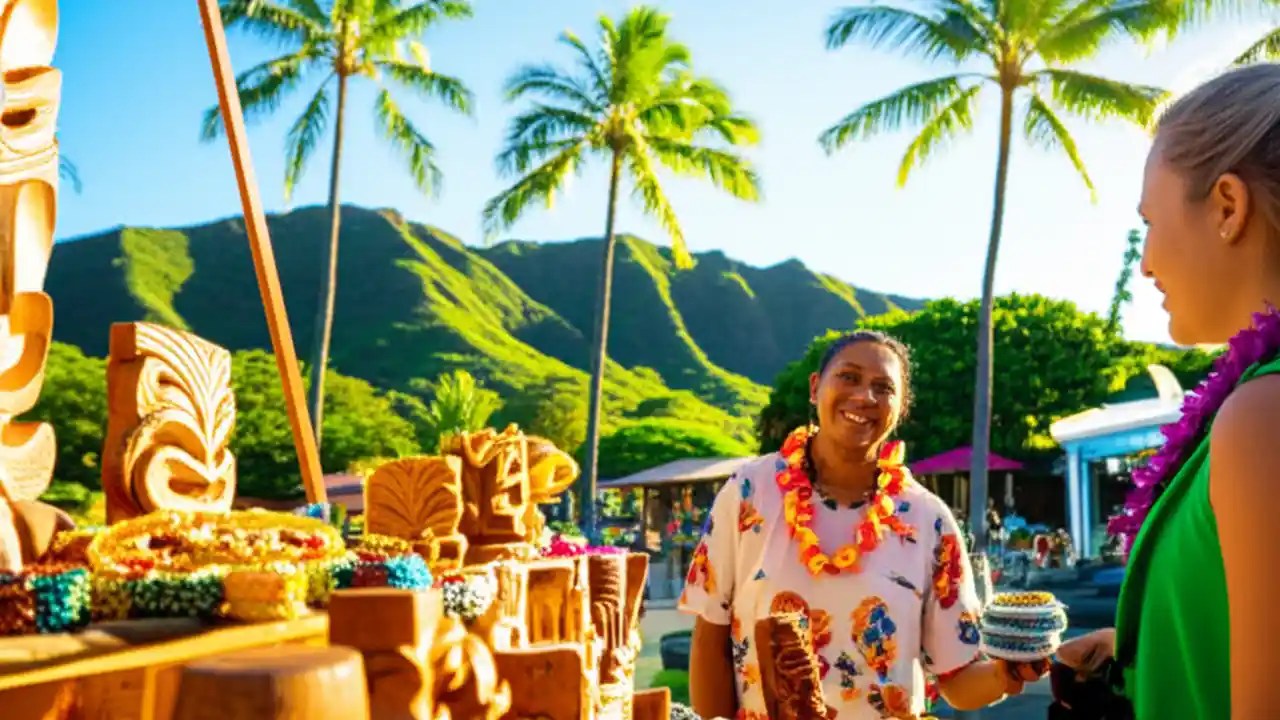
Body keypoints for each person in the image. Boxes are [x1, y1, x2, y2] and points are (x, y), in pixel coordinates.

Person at [1057, 63, 1280, 718]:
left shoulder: (1260, 418)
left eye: (1149, 221)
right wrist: (1143, 647)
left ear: (1229, 208)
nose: (1147, 261)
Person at [680, 331, 1044, 720]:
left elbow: (957, 680)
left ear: (900, 408)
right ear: (816, 387)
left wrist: (1008, 674)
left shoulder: (928, 520)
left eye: (883, 388)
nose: (864, 397)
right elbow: (710, 638)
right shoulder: (750, 493)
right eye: (849, 377)